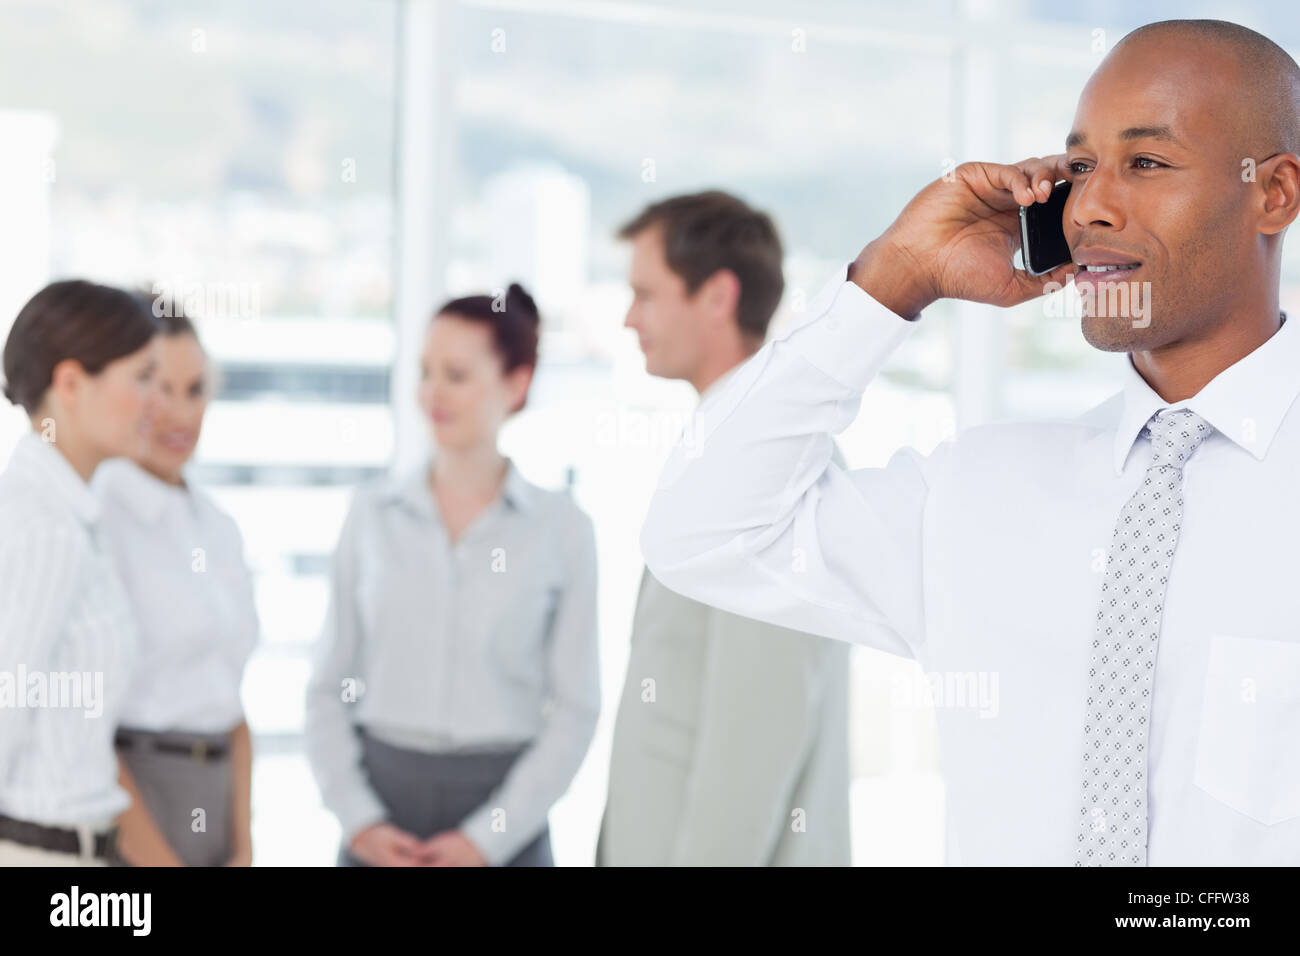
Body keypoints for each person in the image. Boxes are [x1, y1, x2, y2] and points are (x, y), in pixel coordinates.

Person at [640, 19, 1300, 867]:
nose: (1091, 205)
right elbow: (700, 533)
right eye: (1080, 167)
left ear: (1274, 192)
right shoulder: (979, 488)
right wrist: (896, 278)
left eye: (1146, 163)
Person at [598, 191, 852, 866]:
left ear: (717, 296)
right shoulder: (727, 444)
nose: (629, 318)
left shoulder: (765, 463)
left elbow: (758, 727)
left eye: (646, 294)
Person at [306, 282, 600, 867]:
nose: (432, 394)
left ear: (516, 385)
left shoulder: (561, 528)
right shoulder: (371, 514)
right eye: (425, 371)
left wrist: (486, 839)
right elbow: (325, 687)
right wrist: (359, 820)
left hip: (504, 820)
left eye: (456, 375)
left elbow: (576, 708)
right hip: (380, 817)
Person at [0, 280, 159, 865]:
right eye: (142, 377)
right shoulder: (44, 526)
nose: (157, 401)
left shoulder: (72, 513)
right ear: (70, 384)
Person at [93, 311, 258, 866]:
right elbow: (87, 732)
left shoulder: (217, 526)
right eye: (159, 387)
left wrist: (245, 847)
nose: (181, 412)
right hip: (134, 804)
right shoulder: (99, 517)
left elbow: (233, 704)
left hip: (217, 800)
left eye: (195, 389)